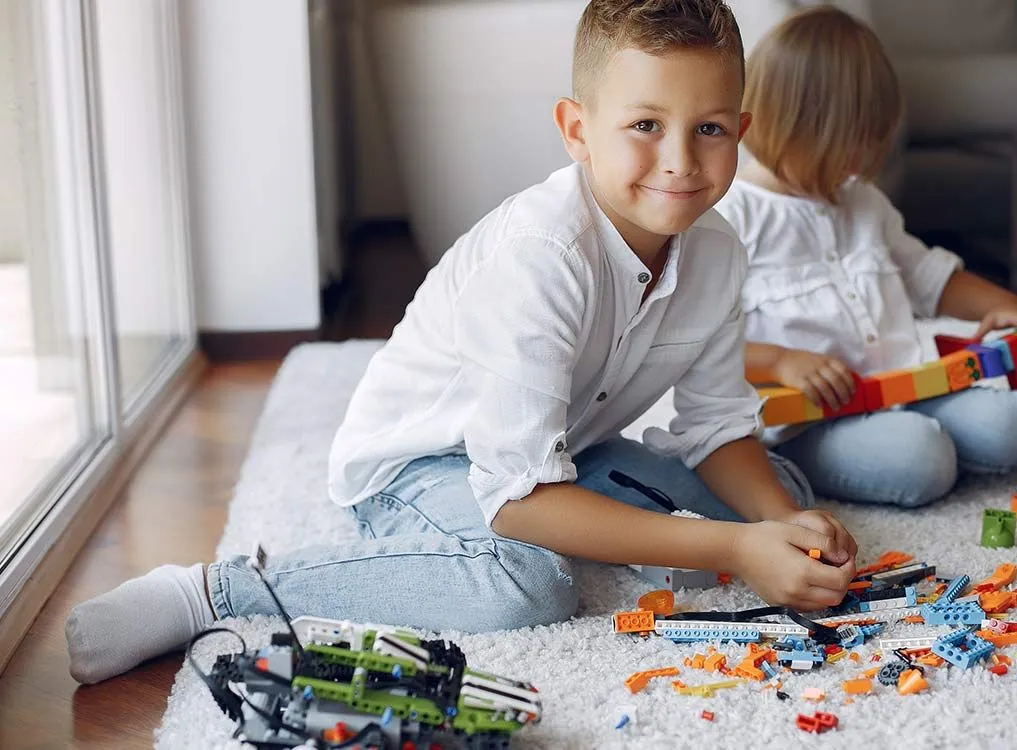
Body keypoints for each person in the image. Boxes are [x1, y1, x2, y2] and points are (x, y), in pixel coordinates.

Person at [65, 0, 857, 685]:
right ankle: (215, 592)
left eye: (709, 128)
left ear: (741, 132)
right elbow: (517, 501)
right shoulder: (541, 256)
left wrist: (777, 523)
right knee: (528, 586)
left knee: (765, 492)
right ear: (576, 130)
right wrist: (735, 545)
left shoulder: (719, 249)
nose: (680, 162)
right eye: (645, 125)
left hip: (569, 449)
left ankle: (664, 528)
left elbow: (719, 423)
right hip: (420, 464)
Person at [718, 6, 1017, 509]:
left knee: (1016, 420)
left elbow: (933, 279)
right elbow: (699, 343)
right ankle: (898, 454)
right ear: (784, 123)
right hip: (809, 423)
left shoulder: (862, 200)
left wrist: (1008, 304)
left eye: (869, 142)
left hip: (907, 388)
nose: (859, 162)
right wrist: (782, 360)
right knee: (921, 458)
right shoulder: (734, 217)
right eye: (844, 145)